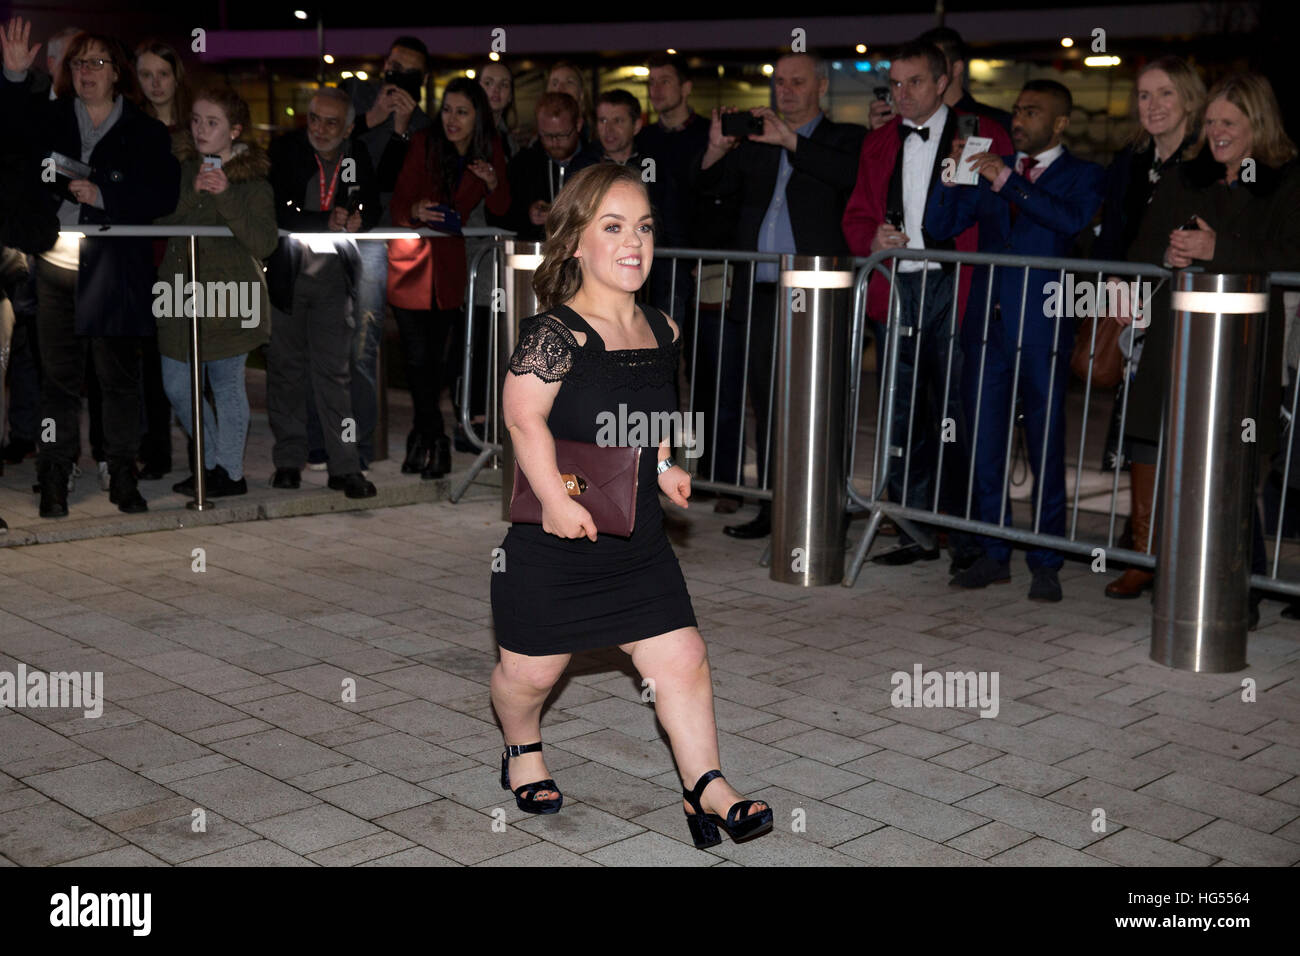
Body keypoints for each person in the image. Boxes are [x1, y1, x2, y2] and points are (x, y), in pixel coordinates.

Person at [490, 162, 773, 847]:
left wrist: (671, 462)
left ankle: (705, 788)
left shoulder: (662, 327)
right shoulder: (556, 333)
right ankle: (520, 745)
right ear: (574, 244)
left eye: (643, 227)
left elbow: (657, 413)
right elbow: (523, 417)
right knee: (531, 675)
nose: (633, 242)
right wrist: (555, 501)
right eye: (612, 227)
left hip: (635, 535)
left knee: (683, 659)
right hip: (555, 538)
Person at [1119, 72, 1300, 628]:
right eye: (1211, 122)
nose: (1216, 132)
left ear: (1258, 125)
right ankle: (1187, 575)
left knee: (1237, 467)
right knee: (1184, 459)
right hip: (1181, 340)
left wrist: (1221, 249)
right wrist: (1168, 256)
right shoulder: (1185, 177)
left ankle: (1240, 587)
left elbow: (1290, 254)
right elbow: (1143, 246)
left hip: (1244, 344)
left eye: (1229, 123)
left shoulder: (1285, 180)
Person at [926, 79, 1104, 601]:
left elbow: (1068, 220)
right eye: (1017, 109)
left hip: (1043, 327)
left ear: (1061, 123)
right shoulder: (988, 167)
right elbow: (939, 224)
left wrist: (1007, 179)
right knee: (984, 442)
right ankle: (995, 550)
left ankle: (1046, 559)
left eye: (1032, 111)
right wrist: (954, 173)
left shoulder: (1083, 176)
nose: (1019, 118)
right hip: (987, 326)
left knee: (1047, 445)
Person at [842, 39, 1011, 570]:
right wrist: (872, 241)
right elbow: (856, 215)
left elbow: (1002, 215)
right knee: (902, 411)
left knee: (957, 413)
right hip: (897, 286)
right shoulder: (878, 142)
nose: (902, 93)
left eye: (915, 82)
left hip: (958, 286)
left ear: (943, 82)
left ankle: (966, 539)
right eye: (895, 83)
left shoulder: (977, 133)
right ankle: (914, 529)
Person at [1, 20, 181, 518]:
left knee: (117, 379)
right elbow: (11, 142)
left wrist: (105, 195)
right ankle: (54, 471)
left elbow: (164, 194)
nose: (87, 71)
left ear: (118, 74)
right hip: (56, 264)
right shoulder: (50, 118)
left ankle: (123, 470)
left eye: (98, 63)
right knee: (57, 380)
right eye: (79, 63)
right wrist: (14, 78)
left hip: (115, 267)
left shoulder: (143, 131)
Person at [694, 51, 866, 538]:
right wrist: (715, 149)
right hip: (765, 293)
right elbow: (708, 187)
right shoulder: (756, 144)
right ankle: (774, 505)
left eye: (796, 82)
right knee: (767, 403)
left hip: (819, 295)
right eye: (779, 83)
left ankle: (823, 505)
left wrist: (792, 142)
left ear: (821, 87)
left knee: (819, 403)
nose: (785, 91)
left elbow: (849, 178)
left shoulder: (844, 139)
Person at [1095, 56, 1205, 599]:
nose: (1153, 105)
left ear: (1189, 98)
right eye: (1143, 95)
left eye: (1165, 93)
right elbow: (1112, 233)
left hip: (1190, 313)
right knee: (1138, 429)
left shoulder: (1209, 159)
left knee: (1193, 431)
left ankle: (1197, 559)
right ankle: (1143, 552)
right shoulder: (1132, 159)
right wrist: (1111, 293)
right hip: (1135, 312)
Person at [154, 86, 276, 498]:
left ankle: (229, 471)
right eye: (196, 120)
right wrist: (196, 192)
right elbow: (161, 222)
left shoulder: (253, 179)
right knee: (177, 383)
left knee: (226, 383)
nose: (201, 129)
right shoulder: (181, 167)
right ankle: (209, 461)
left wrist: (225, 195)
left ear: (234, 130)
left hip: (230, 296)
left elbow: (263, 242)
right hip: (179, 294)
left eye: (212, 122)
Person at [389, 77, 509, 479]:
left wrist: (492, 181)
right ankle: (435, 437)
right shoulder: (424, 142)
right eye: (447, 110)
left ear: (478, 116)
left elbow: (504, 207)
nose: (452, 119)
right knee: (417, 358)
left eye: (462, 112)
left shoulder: (488, 148)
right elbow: (399, 202)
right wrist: (416, 209)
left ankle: (420, 436)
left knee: (436, 363)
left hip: (451, 268)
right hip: (412, 265)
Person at [265, 86, 380, 499]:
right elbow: (274, 208)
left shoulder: (356, 154)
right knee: (285, 371)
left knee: (335, 373)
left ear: (348, 126)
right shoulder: (286, 151)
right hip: (288, 275)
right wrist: (320, 220)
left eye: (331, 122)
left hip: (335, 278)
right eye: (314, 118)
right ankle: (288, 461)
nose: (320, 128)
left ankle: (344, 466)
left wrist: (358, 217)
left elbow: (371, 204)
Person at [339, 35, 432, 473]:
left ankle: (360, 445)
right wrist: (370, 117)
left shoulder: (423, 122)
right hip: (333, 230)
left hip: (379, 238)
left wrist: (400, 132)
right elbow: (328, 148)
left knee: (365, 338)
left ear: (422, 79)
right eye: (393, 66)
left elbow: (392, 186)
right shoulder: (354, 98)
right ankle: (327, 440)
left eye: (407, 72)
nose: (396, 76)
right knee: (325, 339)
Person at [133, 38, 192, 481]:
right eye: (146, 75)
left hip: (191, 259)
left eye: (163, 74)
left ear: (177, 77)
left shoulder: (197, 125)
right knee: (152, 361)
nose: (155, 84)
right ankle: (155, 452)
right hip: (145, 259)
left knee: (193, 363)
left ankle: (202, 455)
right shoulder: (129, 126)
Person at [501, 92, 596, 242]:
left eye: (562, 135)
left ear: (578, 124)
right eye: (546, 135)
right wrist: (528, 214)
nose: (554, 142)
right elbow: (502, 215)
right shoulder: (524, 164)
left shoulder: (595, 163)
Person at [918, 26, 1012, 136]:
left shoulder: (995, 122)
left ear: (956, 68)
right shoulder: (915, 121)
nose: (926, 71)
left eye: (935, 63)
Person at [479, 59, 518, 160]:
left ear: (510, 96)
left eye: (504, 85)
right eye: (488, 83)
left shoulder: (510, 142)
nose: (496, 89)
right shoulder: (463, 132)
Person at [545, 60, 592, 145]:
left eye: (569, 82)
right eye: (554, 83)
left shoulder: (598, 140)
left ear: (581, 94)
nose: (560, 89)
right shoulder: (535, 148)